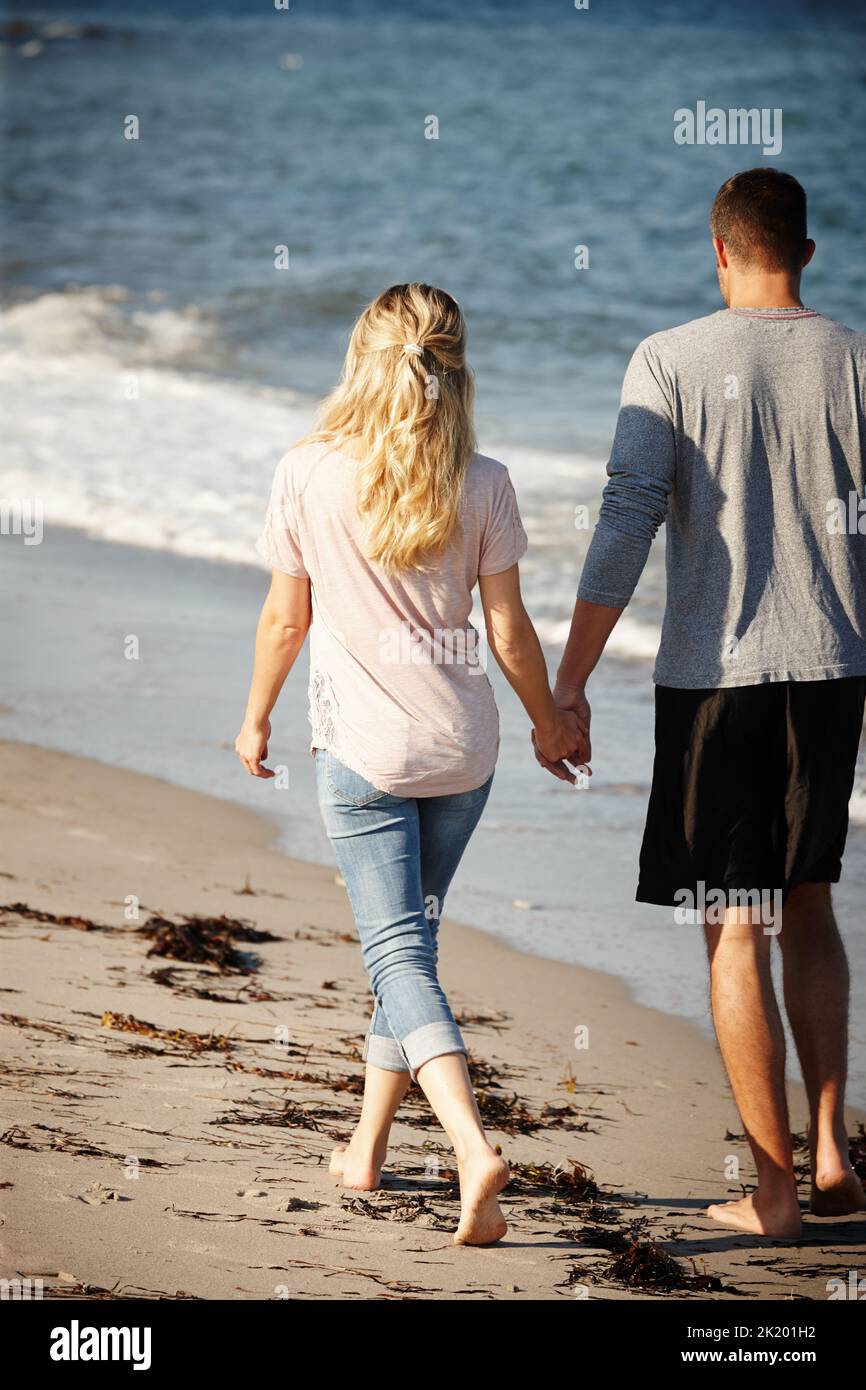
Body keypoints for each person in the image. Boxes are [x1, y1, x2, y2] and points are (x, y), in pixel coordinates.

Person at [542, 169, 866, 1238]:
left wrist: (570, 675)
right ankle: (827, 1155)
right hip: (830, 672)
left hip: (716, 682)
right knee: (807, 901)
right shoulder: (853, 355)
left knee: (736, 926)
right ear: (804, 253)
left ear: (715, 251)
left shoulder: (667, 360)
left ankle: (770, 1195)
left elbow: (628, 516)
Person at [235, 283, 587, 1245]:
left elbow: (285, 618)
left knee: (396, 953)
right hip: (465, 751)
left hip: (364, 752)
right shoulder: (485, 480)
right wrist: (551, 722)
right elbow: (508, 629)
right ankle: (367, 1149)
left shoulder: (307, 473)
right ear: (456, 365)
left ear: (362, 356)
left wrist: (256, 717)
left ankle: (473, 1150)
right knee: (411, 951)